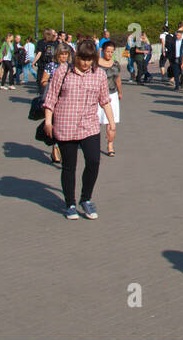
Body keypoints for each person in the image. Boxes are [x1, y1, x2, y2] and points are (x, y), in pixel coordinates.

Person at [42, 38, 114, 220]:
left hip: (89, 125)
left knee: (93, 161)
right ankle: (70, 203)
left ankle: (86, 199)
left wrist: (111, 124)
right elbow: (50, 98)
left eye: (89, 60)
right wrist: (48, 122)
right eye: (82, 59)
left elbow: (105, 100)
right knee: (69, 167)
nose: (85, 63)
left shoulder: (99, 75)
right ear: (76, 56)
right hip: (65, 125)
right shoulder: (63, 72)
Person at [97, 42, 124, 154]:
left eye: (112, 52)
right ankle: (94, 144)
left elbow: (118, 79)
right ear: (103, 51)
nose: (109, 54)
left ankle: (110, 145)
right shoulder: (96, 64)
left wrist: (120, 92)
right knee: (96, 121)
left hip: (112, 94)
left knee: (111, 122)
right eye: (107, 51)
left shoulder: (116, 64)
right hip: (98, 95)